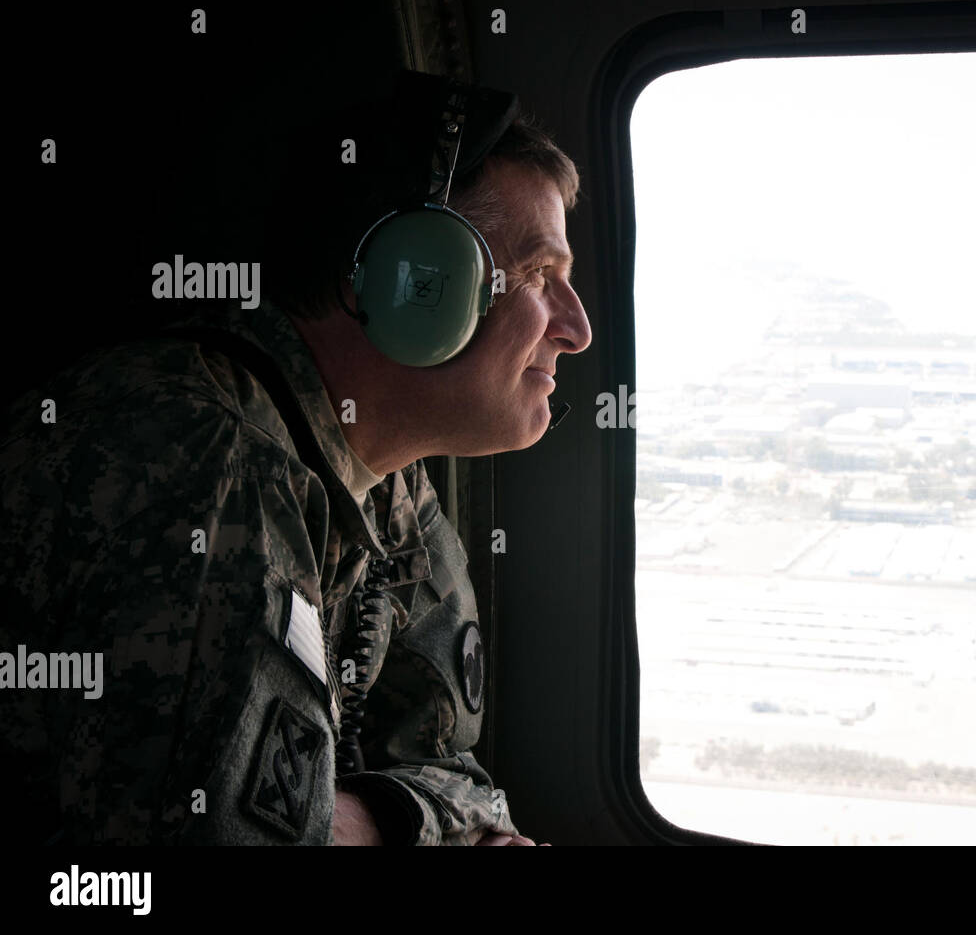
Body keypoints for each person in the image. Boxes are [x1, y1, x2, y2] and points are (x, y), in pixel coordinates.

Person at [0, 73, 590, 845]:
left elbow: (459, 774)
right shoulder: (205, 465)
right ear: (416, 279)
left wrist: (374, 818)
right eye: (542, 277)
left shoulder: (390, 486)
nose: (576, 328)